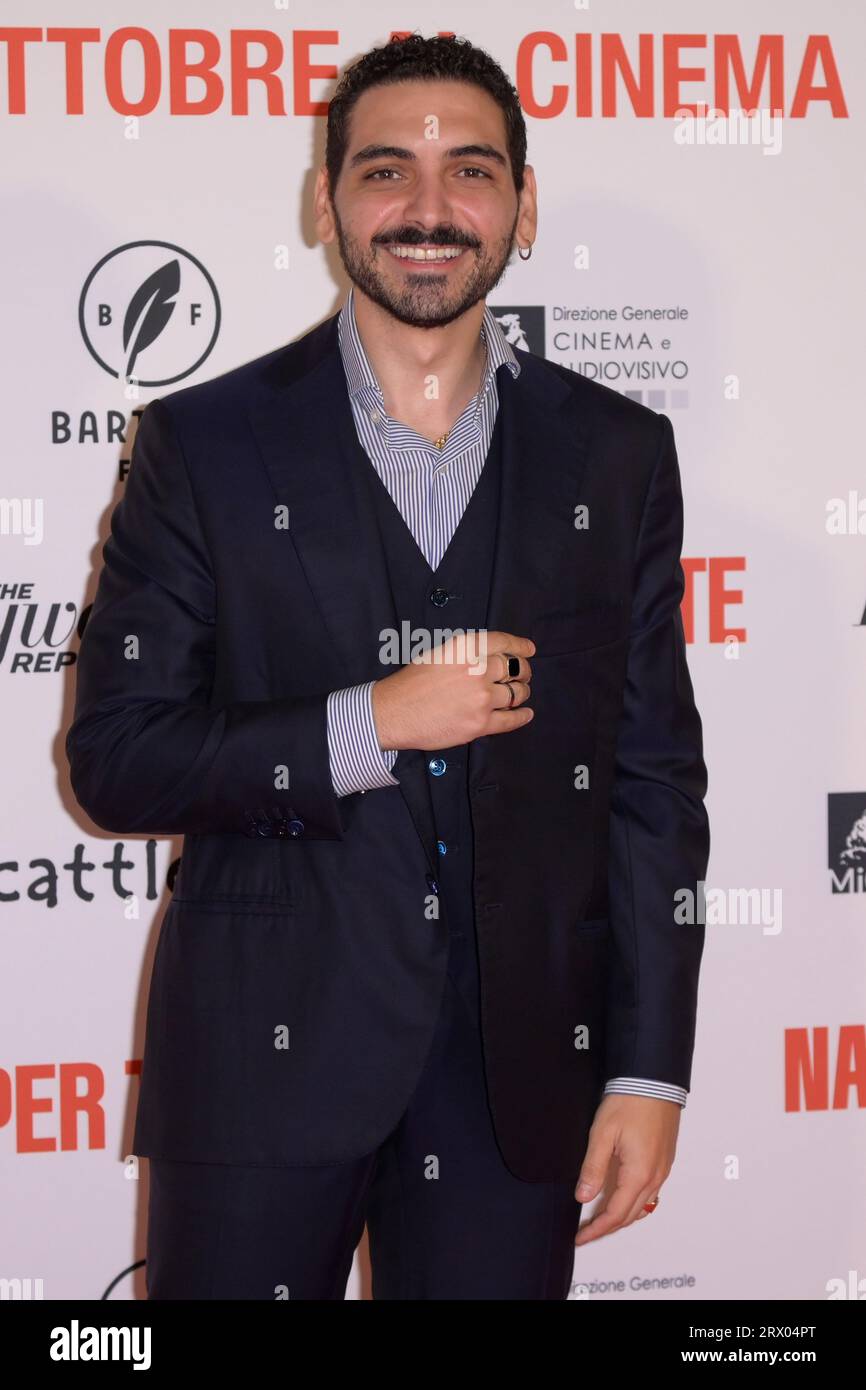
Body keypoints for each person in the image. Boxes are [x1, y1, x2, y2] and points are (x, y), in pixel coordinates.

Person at [66, 33, 710, 1301]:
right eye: (382, 173)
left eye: (469, 172)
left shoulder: (617, 456)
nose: (427, 210)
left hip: (516, 1082)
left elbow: (650, 784)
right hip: (259, 1067)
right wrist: (371, 722)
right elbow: (117, 759)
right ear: (325, 202)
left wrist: (645, 1066)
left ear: (524, 209)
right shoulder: (202, 445)